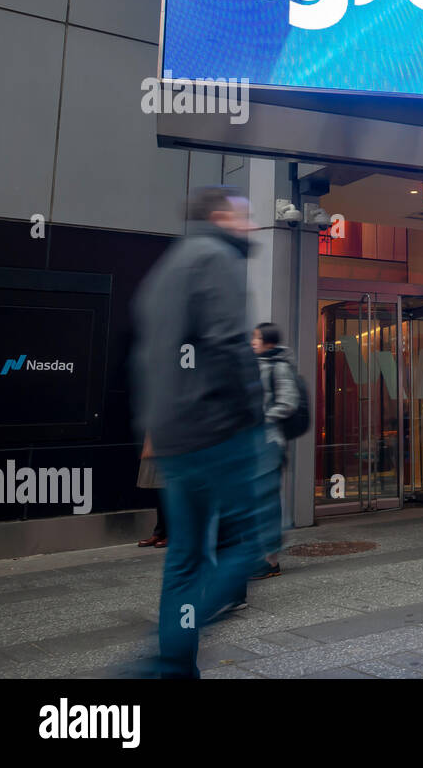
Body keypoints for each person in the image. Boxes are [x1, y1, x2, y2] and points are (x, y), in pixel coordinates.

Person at [130, 186, 266, 678]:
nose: (252, 225)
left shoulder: (167, 268)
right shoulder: (215, 257)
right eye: (245, 216)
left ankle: (175, 665)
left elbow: (146, 356)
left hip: (175, 437)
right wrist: (253, 415)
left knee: (184, 559)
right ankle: (158, 664)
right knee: (250, 545)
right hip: (217, 430)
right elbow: (229, 344)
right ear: (220, 217)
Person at [251, 322, 298, 580]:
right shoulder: (257, 364)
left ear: (268, 341)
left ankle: (271, 561)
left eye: (257, 338)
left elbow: (288, 403)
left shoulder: (279, 366)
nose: (253, 341)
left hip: (270, 444)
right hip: (253, 445)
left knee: (268, 501)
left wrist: (262, 418)